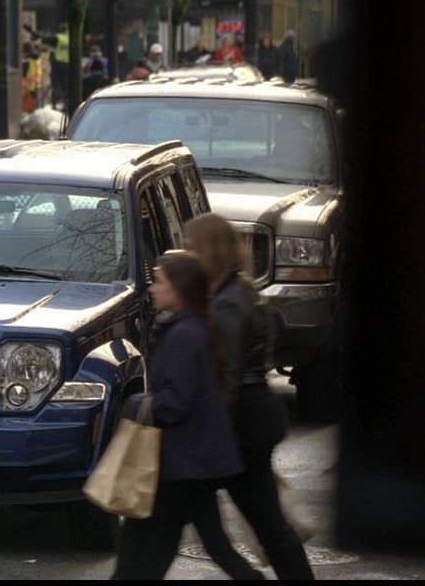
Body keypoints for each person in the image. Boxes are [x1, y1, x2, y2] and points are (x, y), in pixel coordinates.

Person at [185, 214, 316, 580]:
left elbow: (225, 372)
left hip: (240, 422)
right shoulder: (237, 290)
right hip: (250, 418)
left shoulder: (227, 302)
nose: (186, 253)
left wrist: (207, 428)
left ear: (208, 250)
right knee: (264, 525)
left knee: (264, 526)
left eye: (191, 246)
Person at [111, 251, 243, 580]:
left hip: (184, 462)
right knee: (212, 545)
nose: (153, 289)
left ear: (179, 288)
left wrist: (136, 405)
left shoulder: (185, 334)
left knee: (142, 545)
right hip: (195, 461)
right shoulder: (192, 327)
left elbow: (177, 402)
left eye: (159, 282)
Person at [21, 42, 43, 113]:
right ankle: (33, 111)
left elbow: (24, 71)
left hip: (29, 82)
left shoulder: (28, 58)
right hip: (35, 81)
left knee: (29, 99)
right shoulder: (36, 57)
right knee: (33, 98)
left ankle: (30, 111)